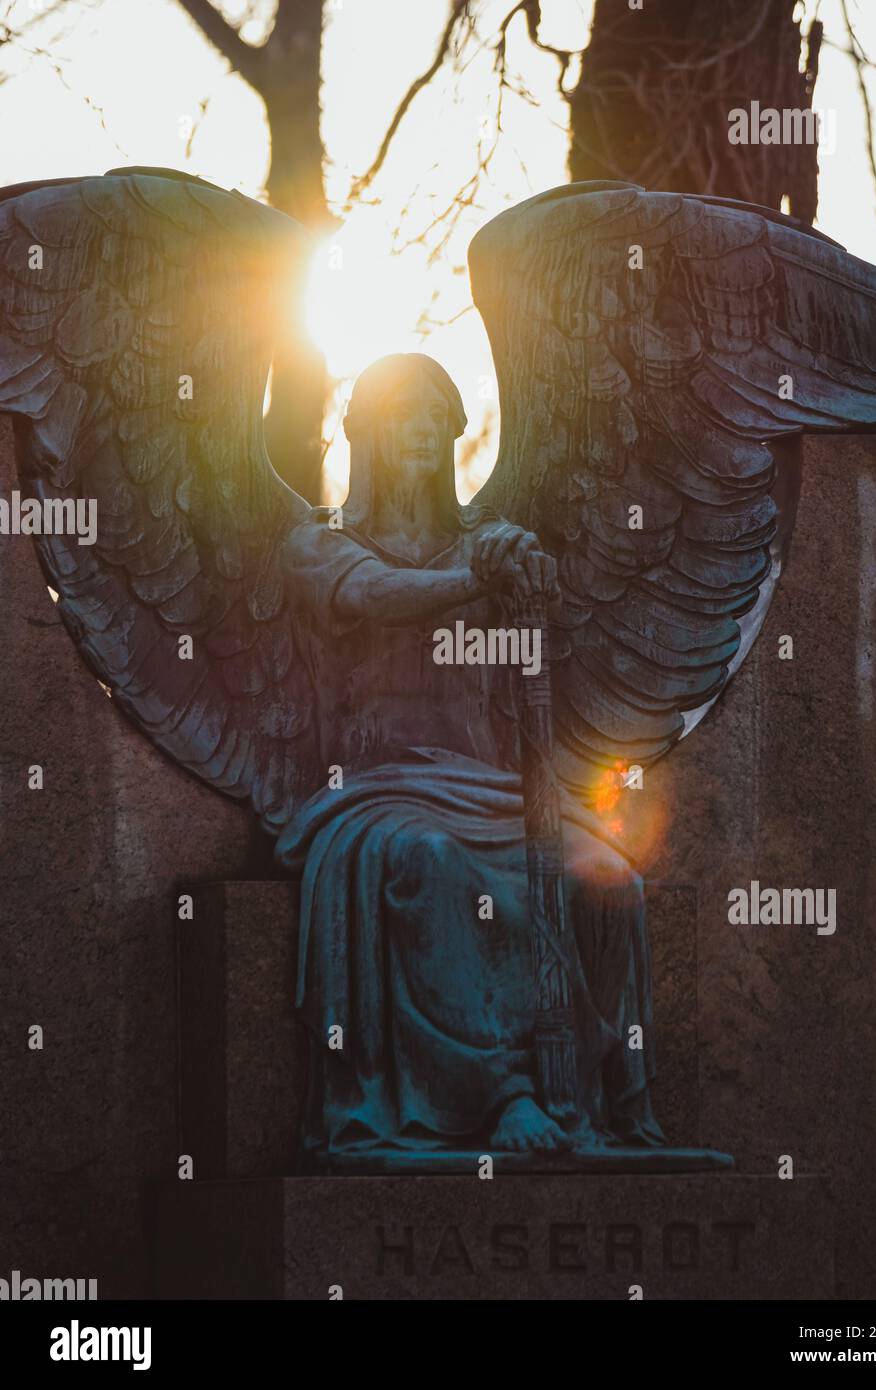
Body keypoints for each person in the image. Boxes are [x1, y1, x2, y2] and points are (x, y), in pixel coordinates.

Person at [275, 353, 663, 1162]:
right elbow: (376, 596)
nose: (416, 428)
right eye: (397, 412)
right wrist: (477, 575)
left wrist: (529, 589)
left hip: (492, 789)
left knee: (609, 881)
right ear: (365, 432)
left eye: (432, 412)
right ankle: (502, 1093)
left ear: (453, 428)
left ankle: (592, 1106)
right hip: (376, 794)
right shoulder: (320, 544)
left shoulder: (492, 545)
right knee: (430, 862)